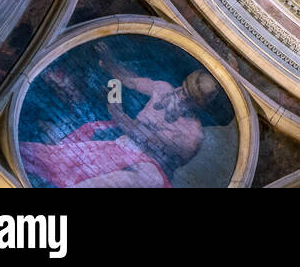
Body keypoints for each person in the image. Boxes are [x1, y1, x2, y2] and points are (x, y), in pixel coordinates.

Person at [19, 43, 233, 189]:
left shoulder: (192, 135)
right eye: (182, 88)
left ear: (198, 106)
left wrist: (117, 110)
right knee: (56, 161)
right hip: (122, 146)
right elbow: (129, 80)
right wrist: (108, 61)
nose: (178, 94)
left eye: (186, 96)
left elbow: (146, 139)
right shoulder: (163, 89)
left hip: (148, 167)